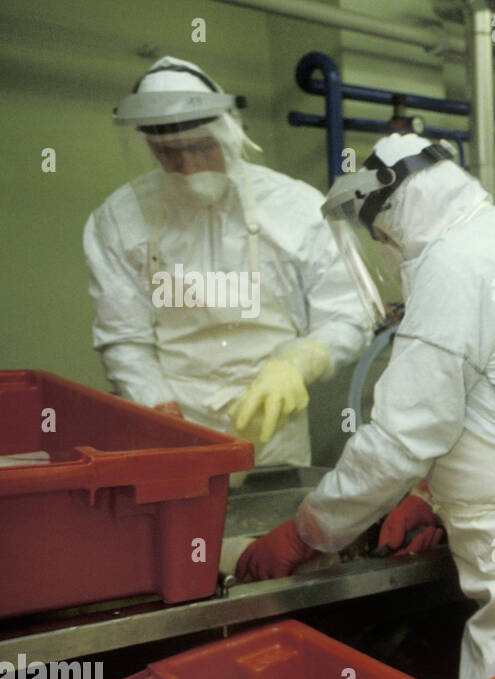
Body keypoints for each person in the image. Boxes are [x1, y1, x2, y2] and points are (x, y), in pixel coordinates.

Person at [236, 134, 495, 679]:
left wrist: (309, 531)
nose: (384, 249)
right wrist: (428, 497)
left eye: (381, 236)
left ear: (400, 212)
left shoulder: (453, 265)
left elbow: (401, 437)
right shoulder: (492, 240)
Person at [85, 56, 373, 465]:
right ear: (147, 146)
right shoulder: (119, 218)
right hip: (173, 420)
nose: (188, 167)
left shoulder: (297, 208)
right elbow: (124, 339)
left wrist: (298, 364)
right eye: (168, 154)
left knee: (270, 525)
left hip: (273, 419)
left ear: (228, 132)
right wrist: (160, 410)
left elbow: (350, 316)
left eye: (201, 148)